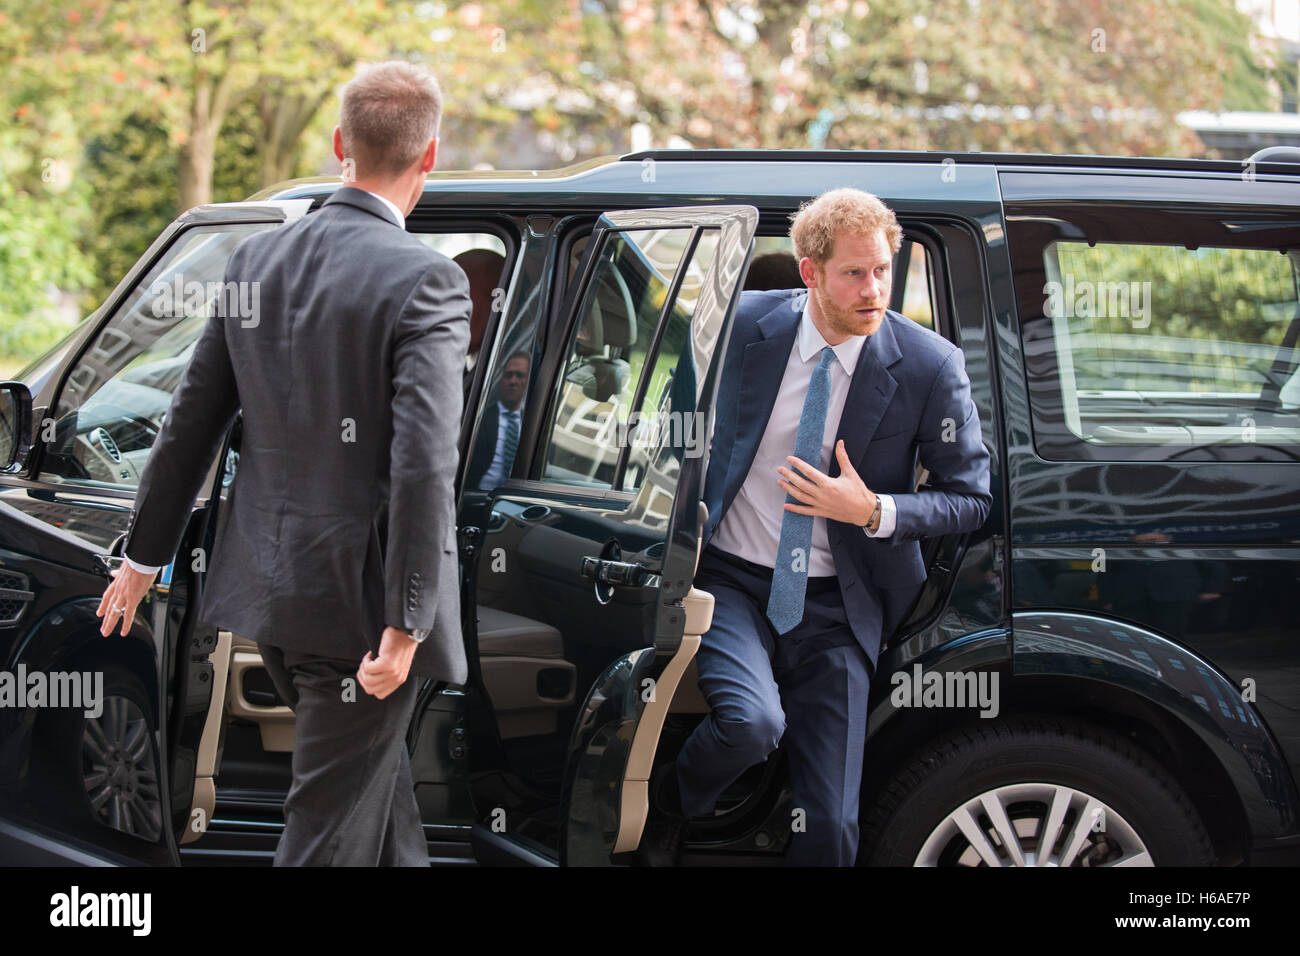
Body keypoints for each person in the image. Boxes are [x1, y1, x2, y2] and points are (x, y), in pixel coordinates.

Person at [95, 61, 472, 866]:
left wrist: (143, 556)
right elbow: (421, 464)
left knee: (376, 796)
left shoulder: (254, 264)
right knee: (325, 832)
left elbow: (189, 423)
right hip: (365, 615)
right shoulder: (428, 280)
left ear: (341, 144)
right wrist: (407, 623)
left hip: (274, 593)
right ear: (429, 156)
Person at [645, 187, 991, 866]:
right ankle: (670, 807)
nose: (874, 290)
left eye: (884, 270)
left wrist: (872, 510)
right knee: (752, 725)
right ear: (810, 272)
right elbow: (670, 440)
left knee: (830, 827)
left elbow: (971, 498)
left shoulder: (929, 366)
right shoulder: (736, 328)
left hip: (840, 605)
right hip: (731, 585)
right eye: (854, 273)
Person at [465, 350, 530, 493]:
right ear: (501, 380)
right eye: (508, 375)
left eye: (519, 376)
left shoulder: (532, 426)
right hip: (477, 496)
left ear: (528, 382)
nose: (513, 381)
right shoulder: (480, 418)